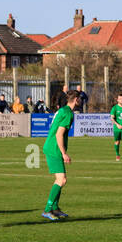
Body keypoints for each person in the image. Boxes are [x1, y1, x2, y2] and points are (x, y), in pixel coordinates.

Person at [42, 90, 80, 220]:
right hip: (54, 149)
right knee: (61, 180)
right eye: (79, 98)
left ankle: (55, 208)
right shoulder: (68, 113)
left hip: (52, 147)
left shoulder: (63, 110)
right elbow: (59, 134)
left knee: (61, 179)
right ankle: (47, 210)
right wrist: (64, 153)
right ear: (76, 99)